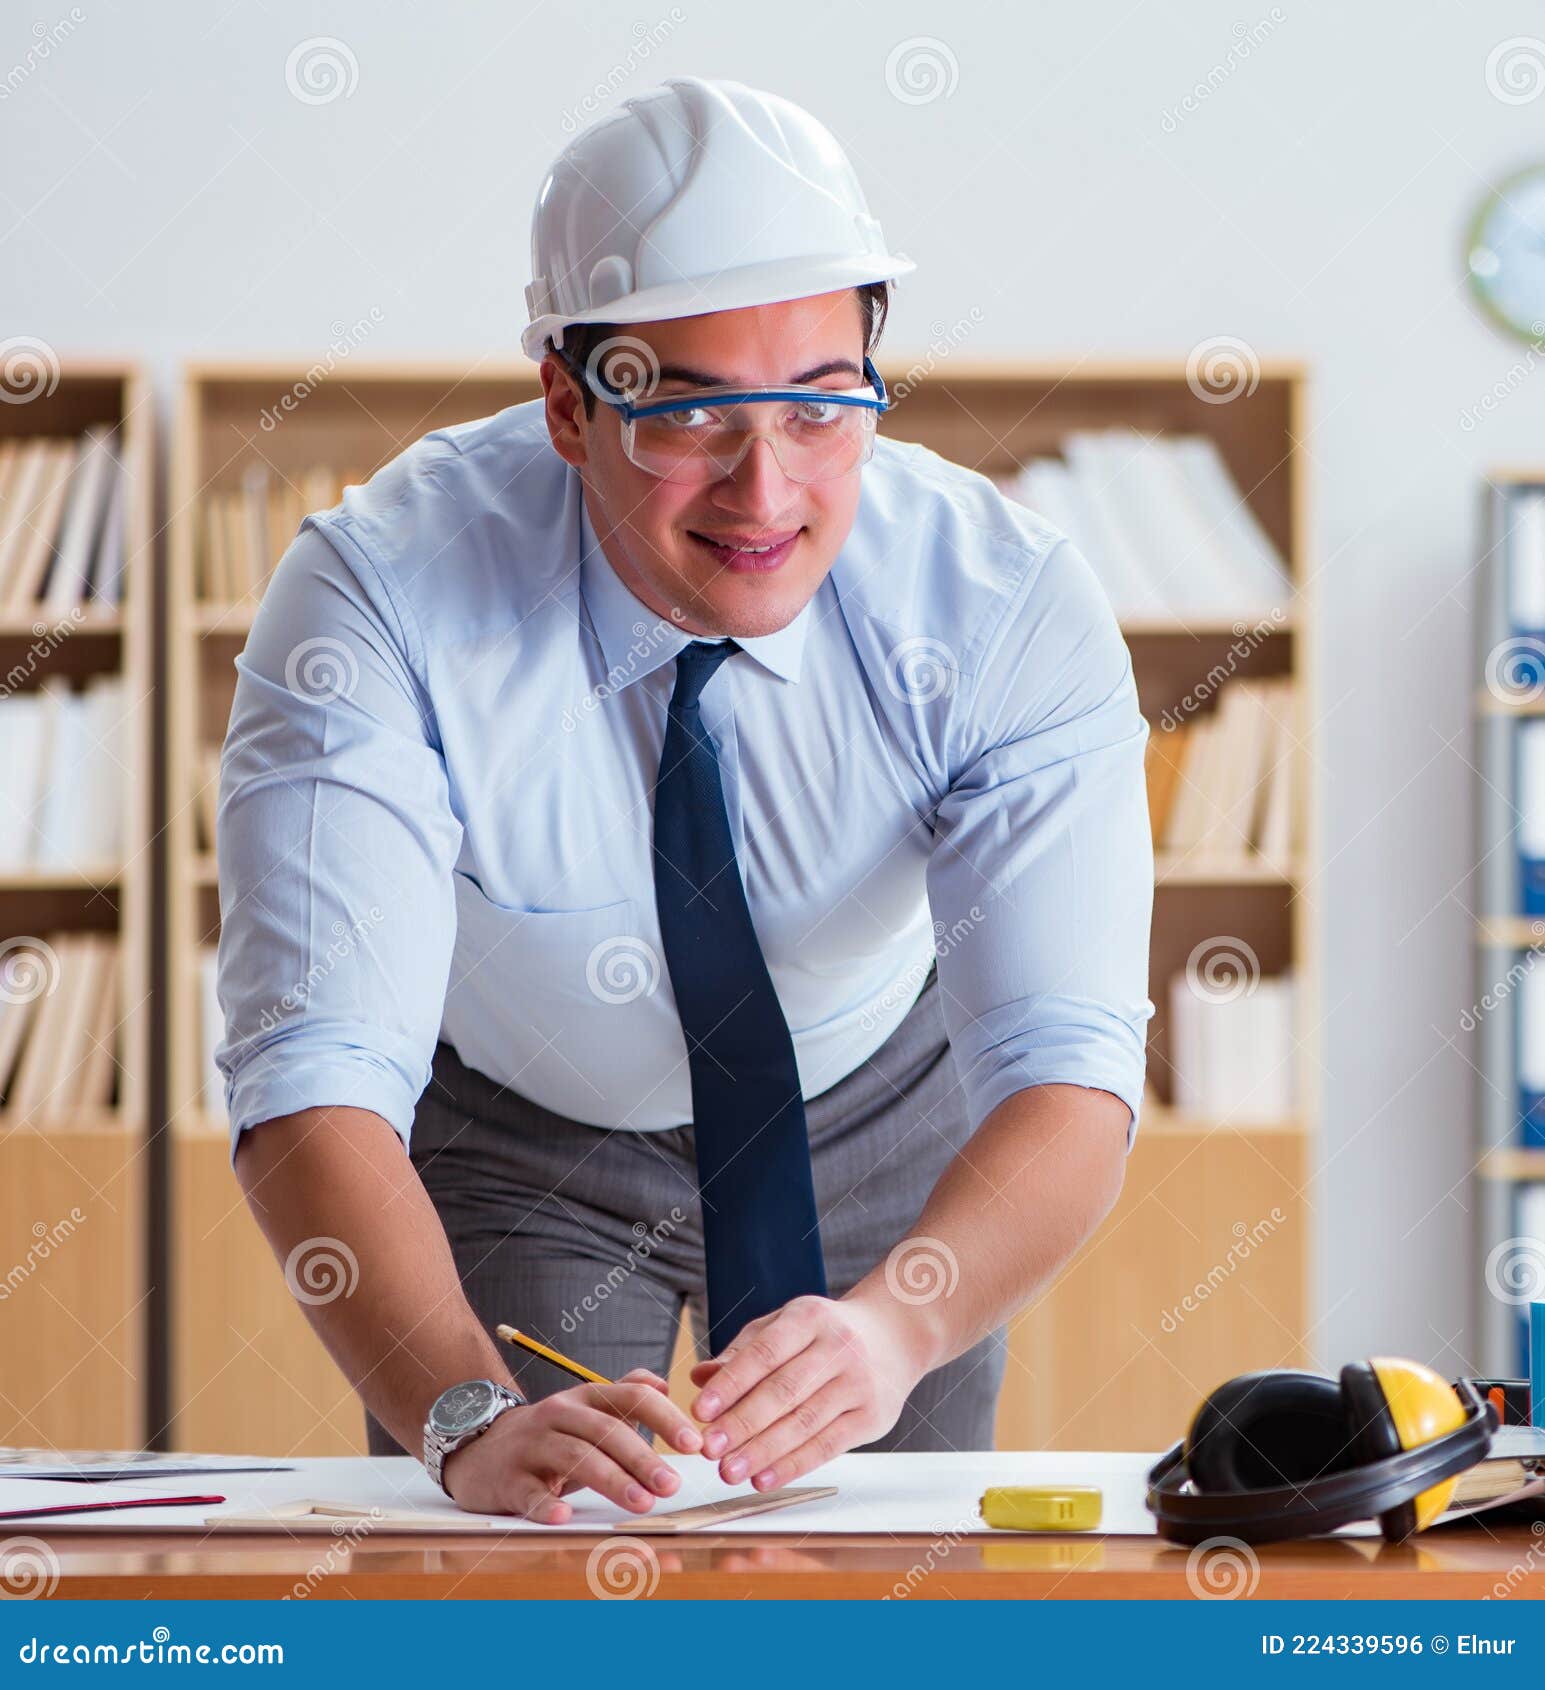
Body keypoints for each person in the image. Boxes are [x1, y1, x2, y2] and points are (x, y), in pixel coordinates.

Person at [223, 75, 1155, 1523]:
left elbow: (1068, 1062)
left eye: (818, 405)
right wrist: (460, 1414)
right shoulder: (378, 597)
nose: (763, 487)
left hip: (878, 1114)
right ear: (566, 402)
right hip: (523, 1135)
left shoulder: (998, 602)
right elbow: (314, 1076)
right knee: (525, 1555)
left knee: (879, 1582)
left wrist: (899, 1323)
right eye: (693, 412)